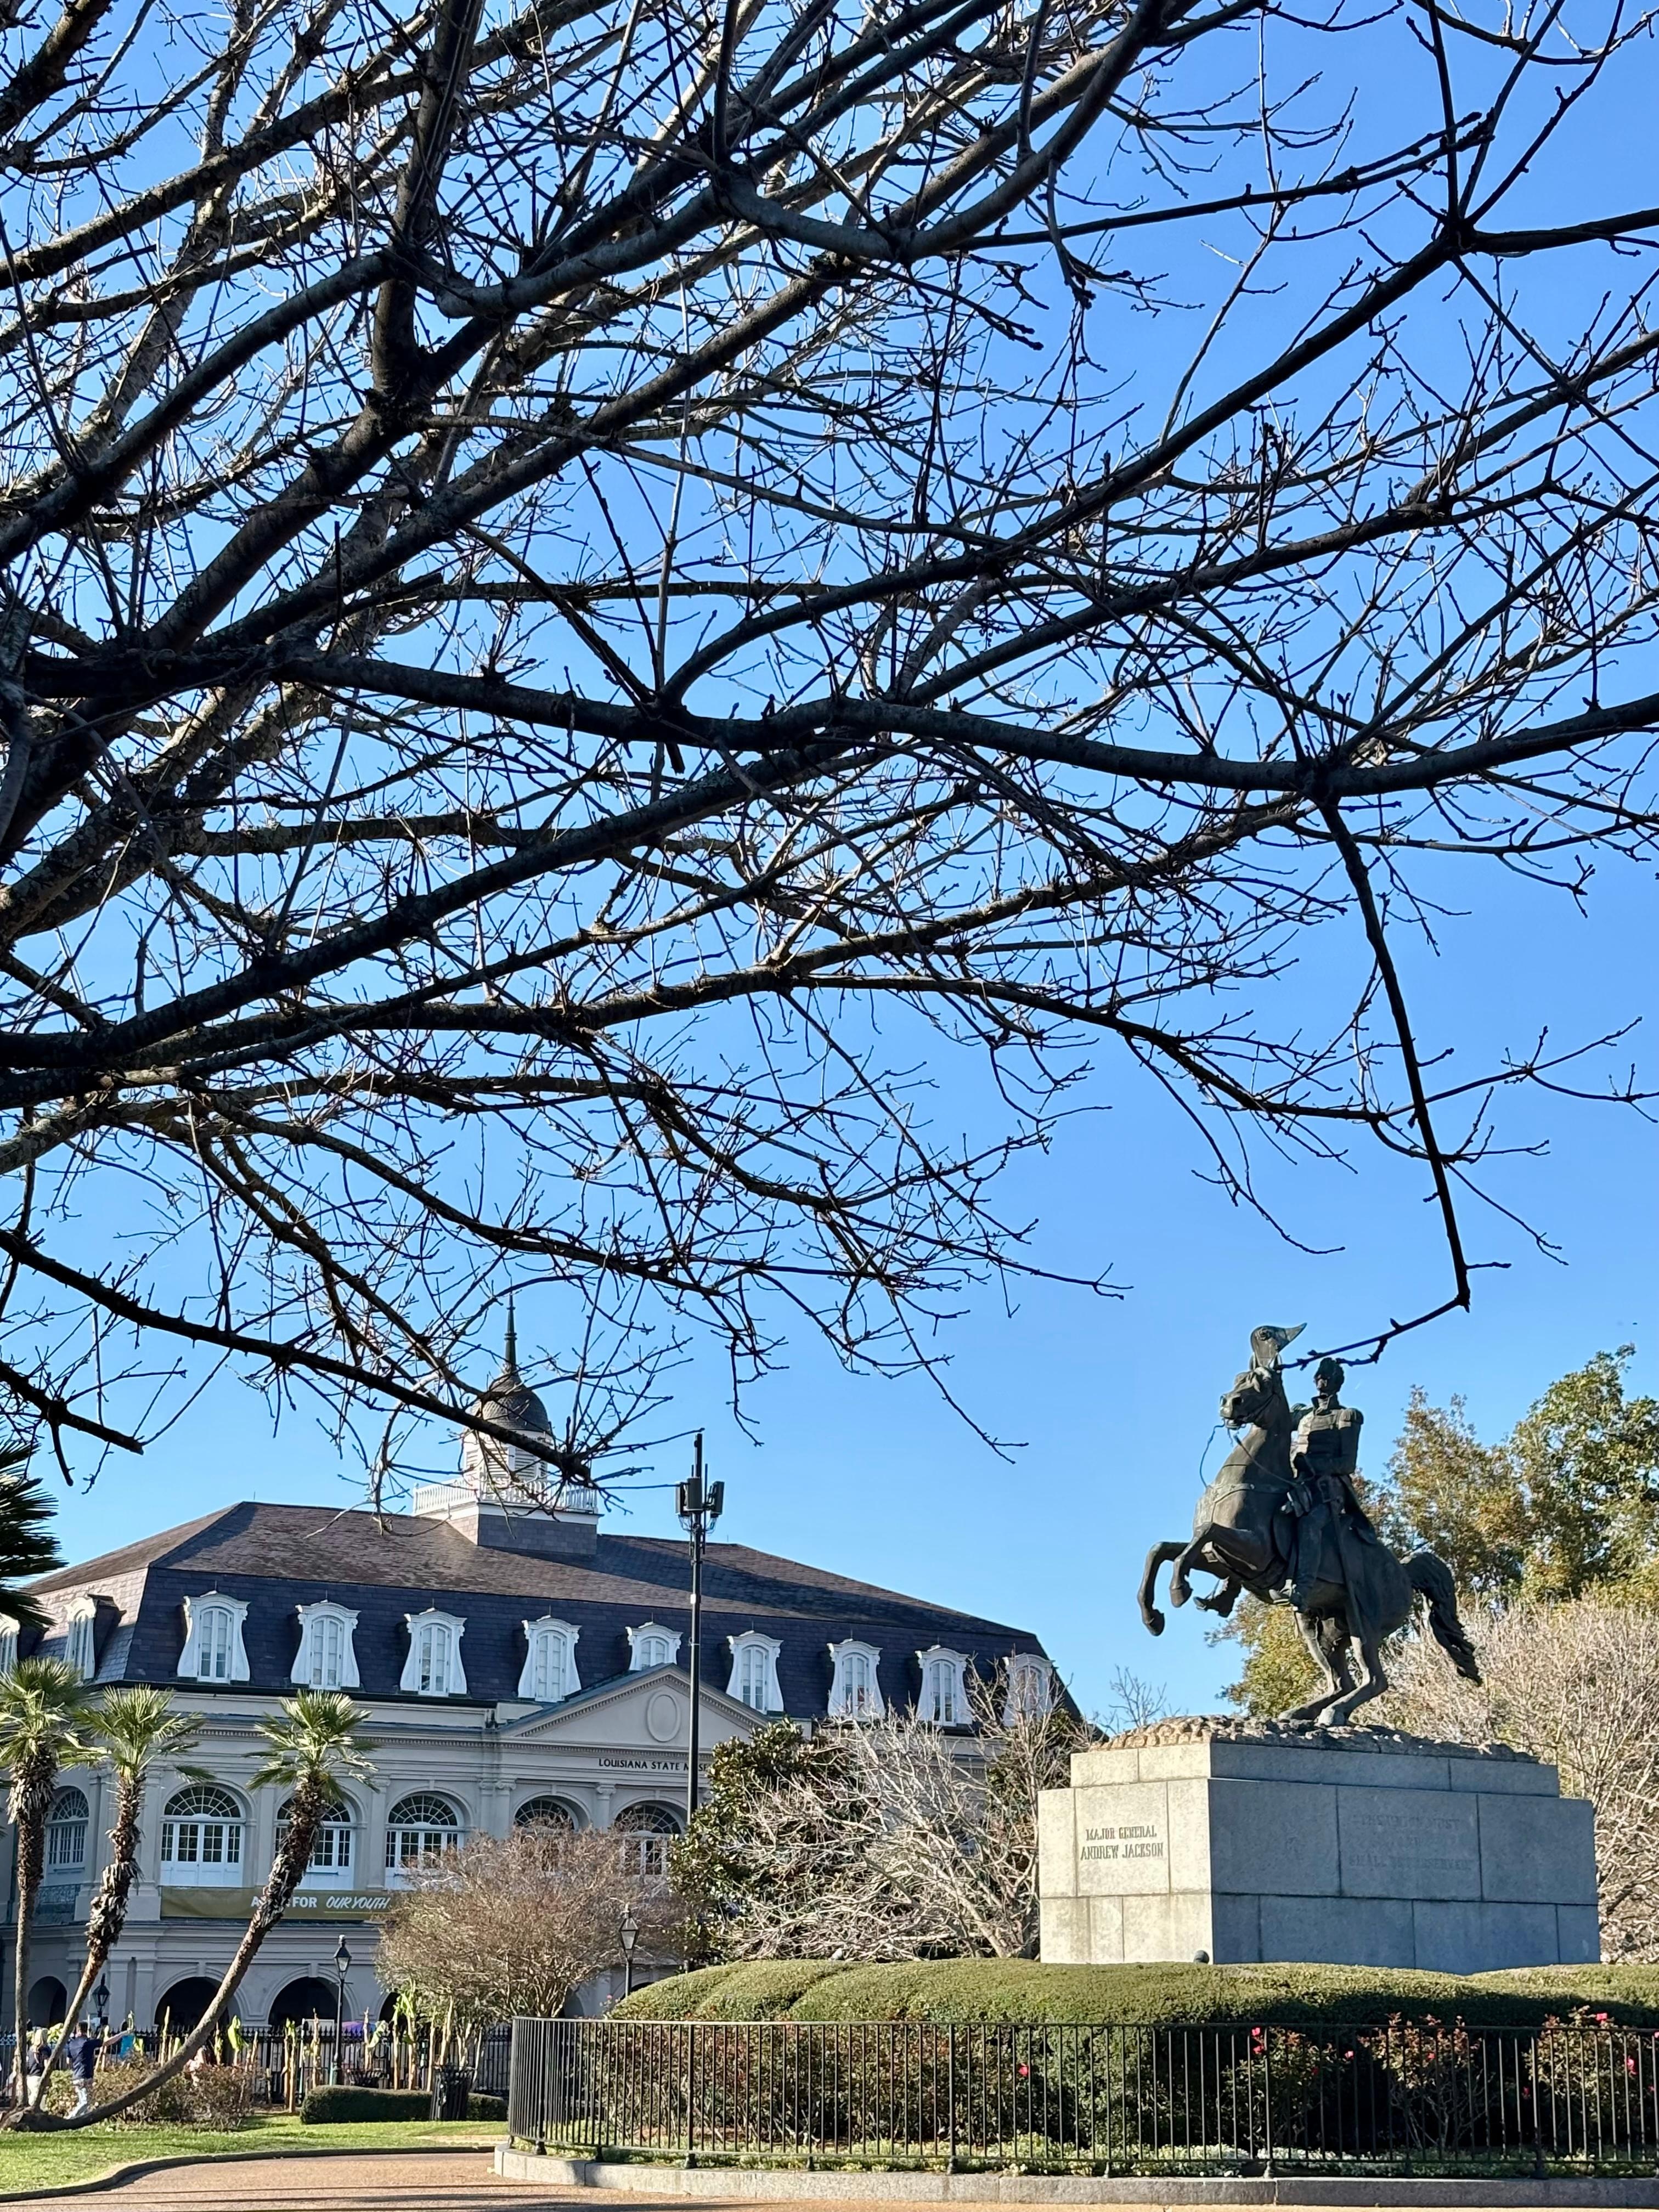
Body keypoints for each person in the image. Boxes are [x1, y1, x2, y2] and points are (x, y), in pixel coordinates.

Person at [1285, 1357, 1376, 1609]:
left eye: (1328, 1377)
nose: (1322, 1381)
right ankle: (1231, 1587)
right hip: (1297, 1484)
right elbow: (1275, 1416)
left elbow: (1347, 1463)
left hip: (1328, 1490)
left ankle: (1303, 1588)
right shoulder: (1302, 1415)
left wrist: (1313, 1466)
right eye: (1319, 1376)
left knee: (1311, 1525)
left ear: (1338, 1383)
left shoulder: (1346, 1416)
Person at [64, 2022, 99, 2117]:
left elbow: (68, 2061)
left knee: (84, 2102)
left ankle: (80, 2121)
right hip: (85, 2075)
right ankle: (69, 2119)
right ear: (87, 2030)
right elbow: (106, 2042)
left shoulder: (72, 2043)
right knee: (85, 2102)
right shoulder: (87, 2042)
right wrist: (121, 2035)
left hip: (76, 2075)